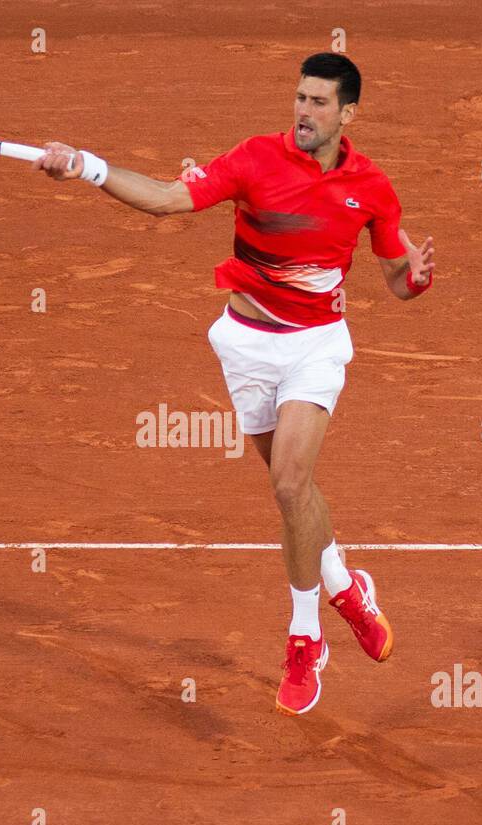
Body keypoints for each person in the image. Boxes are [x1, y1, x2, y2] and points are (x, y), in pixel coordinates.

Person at [33, 52, 435, 715]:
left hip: (314, 348)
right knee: (294, 494)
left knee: (289, 482)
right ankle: (345, 586)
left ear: (348, 114)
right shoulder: (253, 159)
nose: (304, 112)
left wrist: (415, 276)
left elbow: (396, 276)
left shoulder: (373, 188)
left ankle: (305, 639)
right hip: (246, 348)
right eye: (299, 98)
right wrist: (84, 165)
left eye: (318, 102)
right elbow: (166, 200)